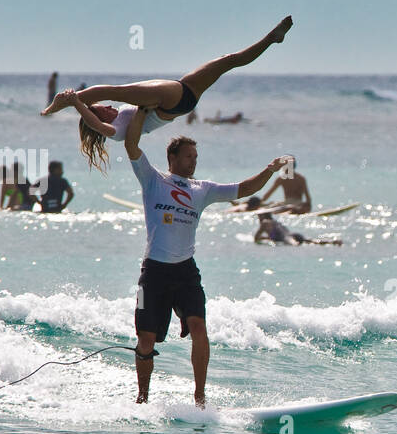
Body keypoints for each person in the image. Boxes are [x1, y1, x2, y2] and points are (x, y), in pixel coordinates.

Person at [123, 107, 290, 407]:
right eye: (189, 156)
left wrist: (269, 170)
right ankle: (142, 397)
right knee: (146, 340)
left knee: (199, 328)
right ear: (172, 158)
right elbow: (132, 145)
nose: (193, 161)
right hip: (153, 274)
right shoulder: (153, 180)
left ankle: (200, 397)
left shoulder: (204, 190)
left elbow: (244, 188)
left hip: (186, 273)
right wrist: (141, 112)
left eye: (196, 157)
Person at [43, 16, 292, 171]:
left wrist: (81, 102)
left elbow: (98, 112)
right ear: (100, 120)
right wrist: (76, 103)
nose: (108, 107)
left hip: (183, 96)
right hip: (169, 104)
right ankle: (59, 104)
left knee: (227, 61)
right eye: (103, 110)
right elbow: (94, 122)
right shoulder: (115, 131)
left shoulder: (117, 118)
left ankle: (271, 39)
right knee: (115, 91)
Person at [253, 211, 342, 246]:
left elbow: (256, 238)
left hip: (287, 238)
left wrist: (265, 238)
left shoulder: (265, 222)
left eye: (259, 216)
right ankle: (332, 242)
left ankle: (295, 244)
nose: (259, 219)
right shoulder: (275, 222)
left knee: (294, 244)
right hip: (293, 234)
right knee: (310, 241)